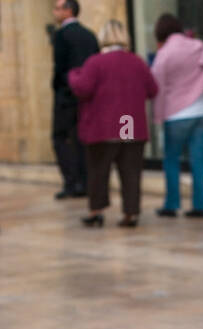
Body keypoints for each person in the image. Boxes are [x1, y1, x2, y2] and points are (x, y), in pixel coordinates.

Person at [68, 20, 158, 229]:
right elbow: (153, 90)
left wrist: (73, 75)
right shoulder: (137, 62)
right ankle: (131, 213)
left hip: (103, 125)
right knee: (131, 171)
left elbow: (83, 88)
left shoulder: (95, 62)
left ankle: (96, 211)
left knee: (98, 171)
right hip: (128, 124)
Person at [151, 15, 203, 218]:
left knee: (171, 160)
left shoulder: (164, 54)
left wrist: (157, 117)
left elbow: (158, 87)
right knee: (198, 158)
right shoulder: (199, 45)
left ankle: (172, 204)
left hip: (176, 114)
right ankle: (201, 204)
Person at [51, 0, 98, 199]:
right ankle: (84, 183)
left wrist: (59, 87)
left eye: (57, 8)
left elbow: (60, 67)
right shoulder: (89, 36)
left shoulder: (61, 35)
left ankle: (72, 182)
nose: (54, 12)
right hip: (86, 96)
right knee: (82, 140)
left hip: (66, 96)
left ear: (68, 10)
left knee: (60, 138)